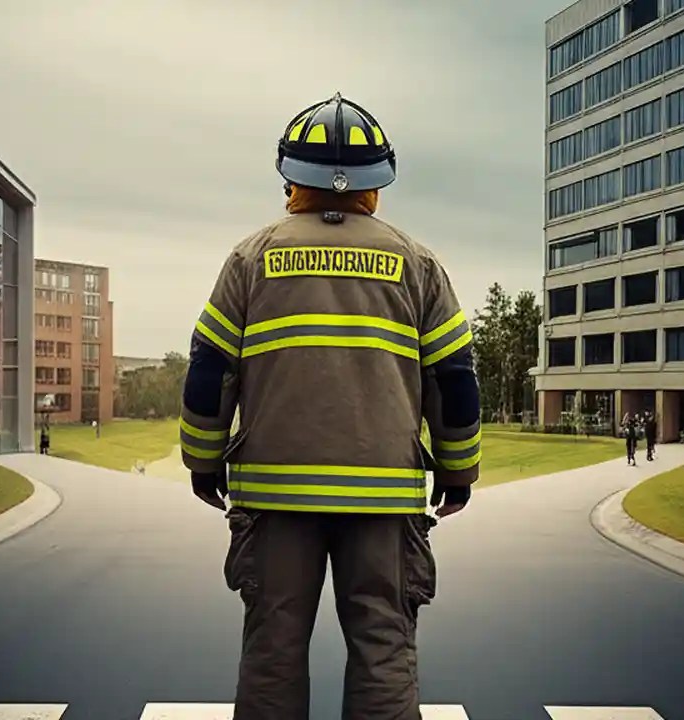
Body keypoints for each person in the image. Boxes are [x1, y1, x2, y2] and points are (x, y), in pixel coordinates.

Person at [178, 93, 482, 720]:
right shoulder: (417, 264)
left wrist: (202, 463)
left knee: (272, 654)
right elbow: (454, 378)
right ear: (377, 183)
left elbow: (209, 373)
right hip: (382, 503)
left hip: (275, 500)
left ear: (291, 177)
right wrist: (458, 472)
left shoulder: (251, 259)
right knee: (383, 652)